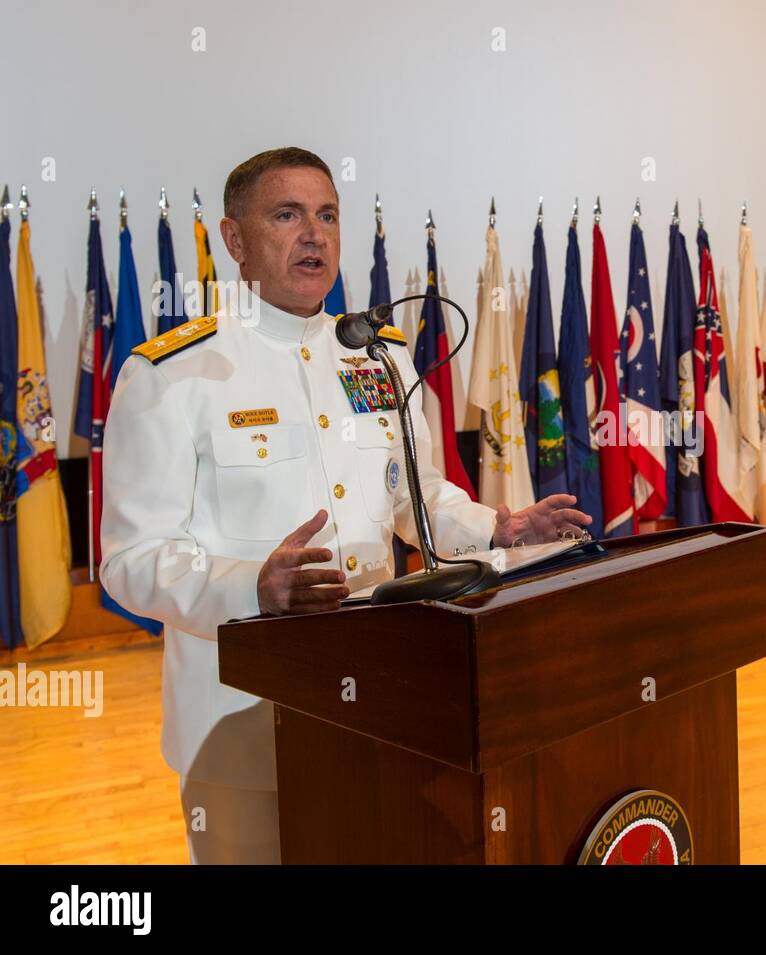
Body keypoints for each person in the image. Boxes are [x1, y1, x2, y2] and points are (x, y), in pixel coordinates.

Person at [100, 147, 591, 863]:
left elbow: (416, 497)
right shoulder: (174, 374)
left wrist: (499, 527)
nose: (316, 235)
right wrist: (251, 587)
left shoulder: (378, 356)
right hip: (238, 723)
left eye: (328, 215)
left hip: (383, 706)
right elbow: (130, 559)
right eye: (287, 215)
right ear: (234, 240)